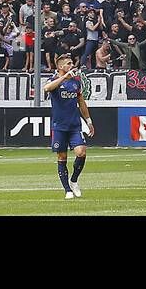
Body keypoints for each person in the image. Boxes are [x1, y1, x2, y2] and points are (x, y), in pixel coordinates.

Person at [44, 53, 94, 200]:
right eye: (69, 64)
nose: (72, 66)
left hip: (75, 126)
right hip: (59, 126)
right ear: (61, 67)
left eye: (72, 63)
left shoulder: (76, 82)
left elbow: (81, 102)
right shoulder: (54, 81)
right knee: (62, 157)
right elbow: (47, 88)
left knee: (81, 152)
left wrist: (89, 121)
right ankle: (67, 190)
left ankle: (74, 181)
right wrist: (63, 78)